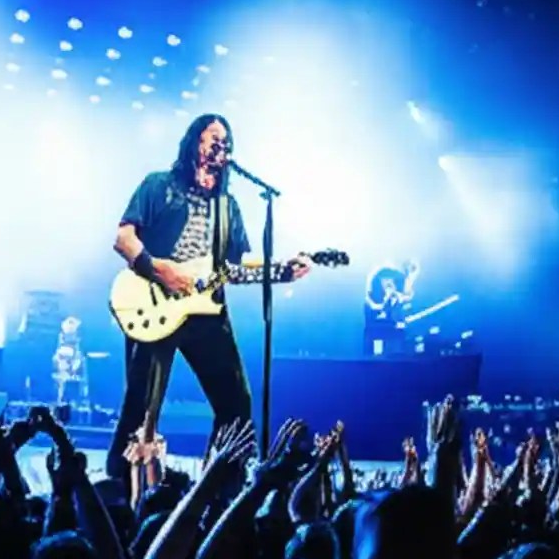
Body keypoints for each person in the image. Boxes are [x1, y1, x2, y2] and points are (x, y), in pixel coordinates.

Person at [106, 113, 312, 479]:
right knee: (141, 407)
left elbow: (239, 264)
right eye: (213, 137)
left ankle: (218, 489)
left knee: (236, 403)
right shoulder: (159, 186)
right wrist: (160, 269)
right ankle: (119, 491)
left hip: (206, 310)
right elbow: (124, 239)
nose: (222, 144)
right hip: (155, 304)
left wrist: (280, 270)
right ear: (193, 144)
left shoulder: (227, 206)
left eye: (226, 140)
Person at [363, 261, 418, 356]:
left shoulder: (397, 297)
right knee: (377, 357)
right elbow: (374, 310)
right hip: (376, 334)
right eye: (385, 279)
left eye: (391, 279)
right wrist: (387, 299)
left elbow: (407, 298)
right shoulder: (372, 298)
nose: (388, 282)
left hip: (395, 336)